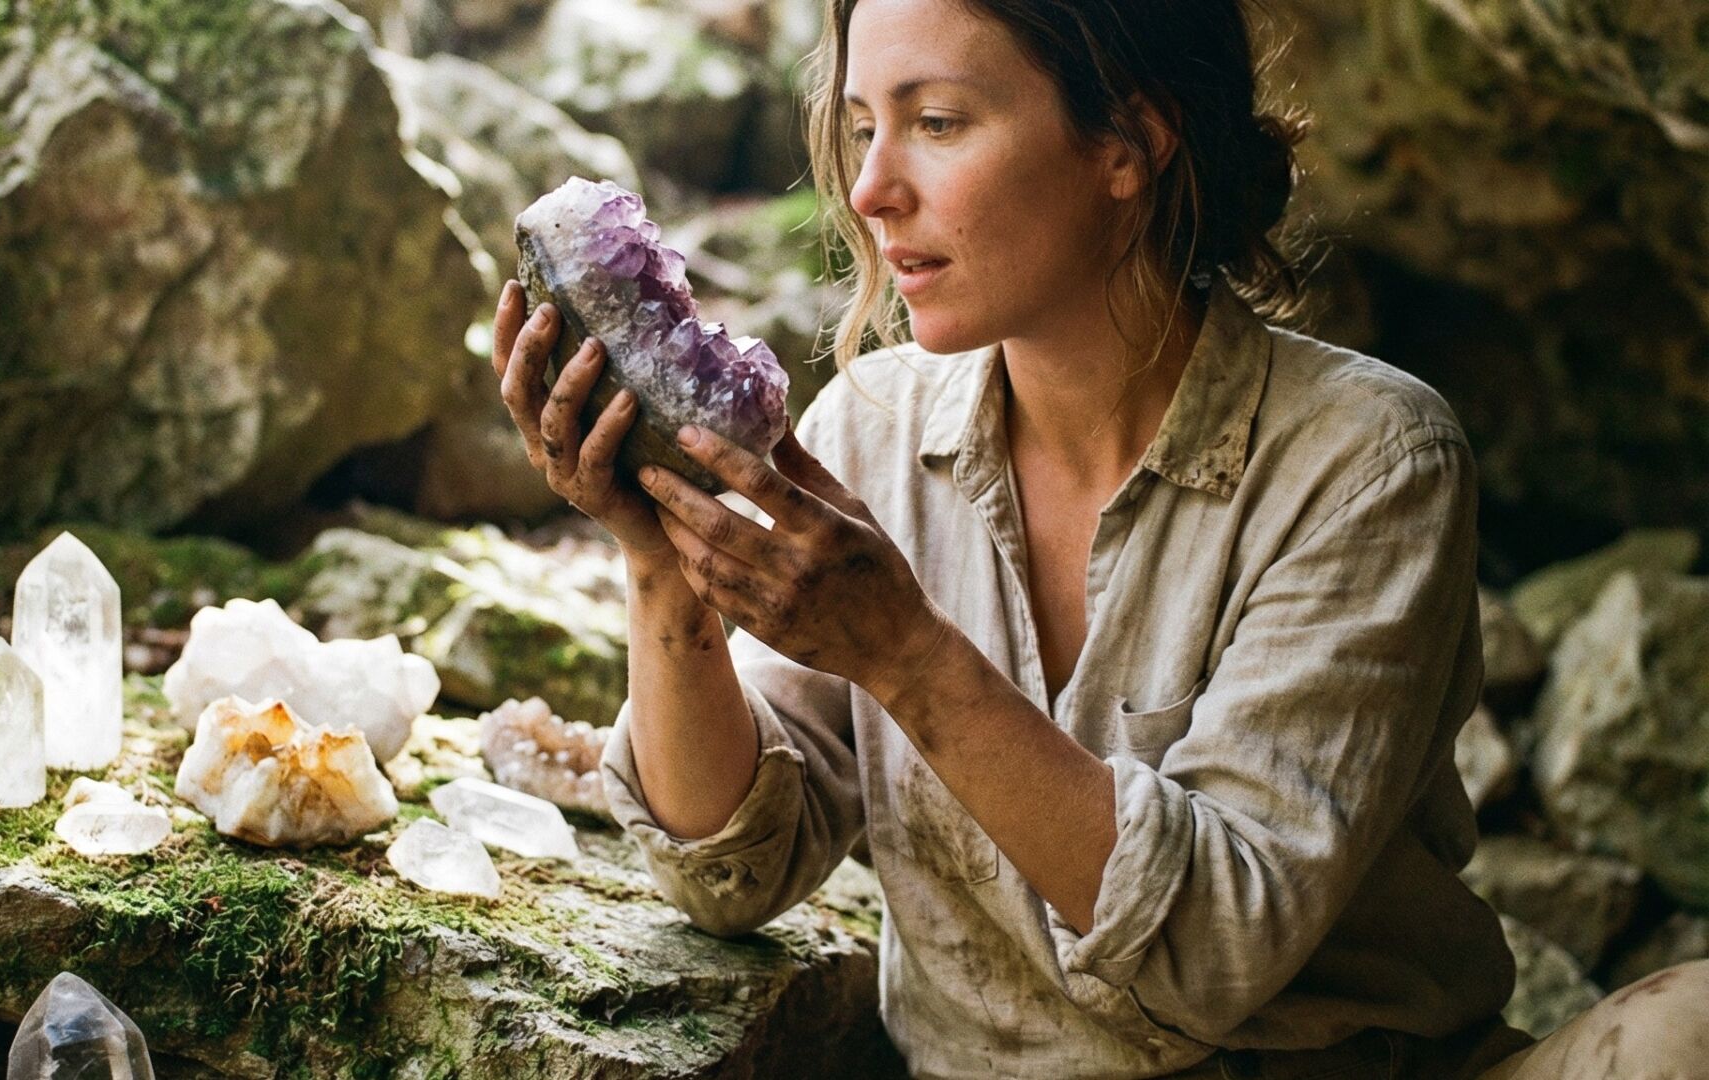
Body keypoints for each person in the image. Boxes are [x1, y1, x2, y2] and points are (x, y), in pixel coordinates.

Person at [490, 0, 1709, 1076]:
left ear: (1130, 143)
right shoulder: (866, 426)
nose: (869, 190)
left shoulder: (1372, 461)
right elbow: (729, 872)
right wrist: (663, 560)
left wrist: (908, 654)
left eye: (940, 122)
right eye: (864, 127)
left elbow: (1216, 949)